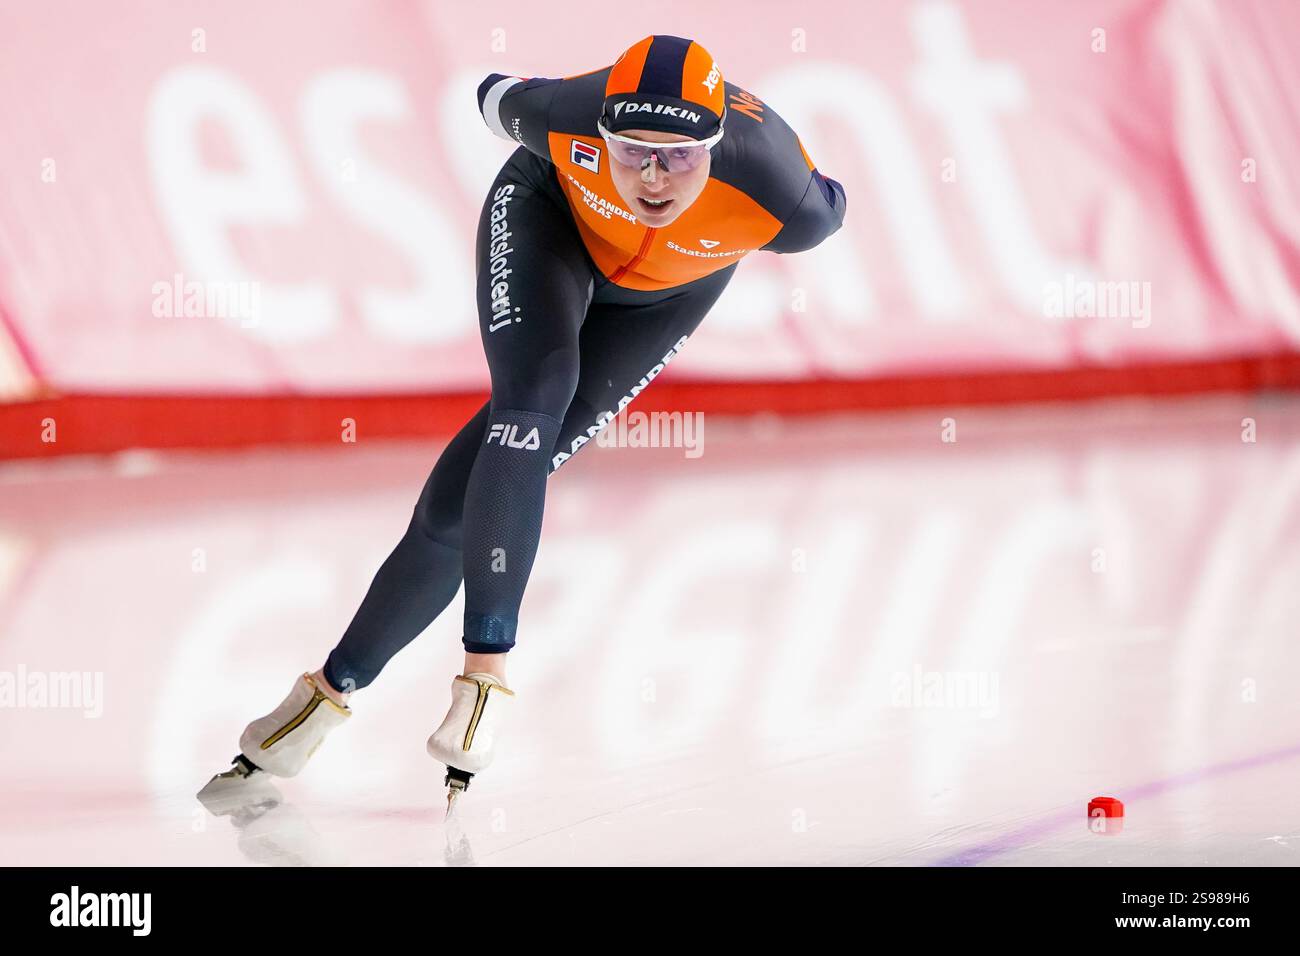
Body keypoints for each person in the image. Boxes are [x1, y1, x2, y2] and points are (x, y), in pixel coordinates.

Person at [200, 35, 847, 813]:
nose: (650, 177)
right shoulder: (559, 116)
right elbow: (489, 93)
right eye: (632, 149)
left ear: (717, 147)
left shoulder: (786, 197)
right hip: (548, 228)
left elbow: (833, 199)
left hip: (664, 300)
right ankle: (487, 679)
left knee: (451, 512)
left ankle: (321, 699)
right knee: (531, 404)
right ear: (600, 131)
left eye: (679, 158)